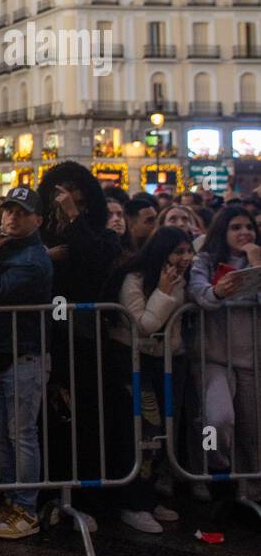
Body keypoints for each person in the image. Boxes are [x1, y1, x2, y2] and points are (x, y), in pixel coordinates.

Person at [37, 161, 122, 527]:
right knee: (50, 418)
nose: (68, 205)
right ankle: (51, 494)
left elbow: (95, 261)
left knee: (87, 416)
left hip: (85, 338)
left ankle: (88, 495)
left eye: (78, 201)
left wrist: (75, 220)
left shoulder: (101, 235)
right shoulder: (39, 237)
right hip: (44, 336)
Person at [0, 186, 53, 540]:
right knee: (0, 433)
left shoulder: (33, 259)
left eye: (21, 212)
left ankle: (26, 508)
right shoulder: (12, 250)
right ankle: (11, 500)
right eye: (8, 210)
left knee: (21, 434)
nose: (12, 217)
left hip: (22, 353)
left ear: (37, 220)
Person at [108, 226, 192, 533]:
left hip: (165, 363)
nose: (184, 258)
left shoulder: (181, 279)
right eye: (177, 252)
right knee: (142, 431)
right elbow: (143, 324)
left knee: (159, 434)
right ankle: (133, 503)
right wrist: (164, 293)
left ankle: (147, 496)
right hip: (133, 362)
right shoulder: (135, 279)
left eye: (187, 251)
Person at [186, 204, 261, 531]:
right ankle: (220, 478)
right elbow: (199, 293)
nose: (244, 232)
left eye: (248, 226)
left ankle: (249, 496)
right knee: (218, 420)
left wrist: (257, 265)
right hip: (213, 358)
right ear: (223, 231)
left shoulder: (257, 259)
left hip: (252, 361)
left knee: (253, 432)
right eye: (235, 227)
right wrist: (217, 291)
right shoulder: (205, 259)